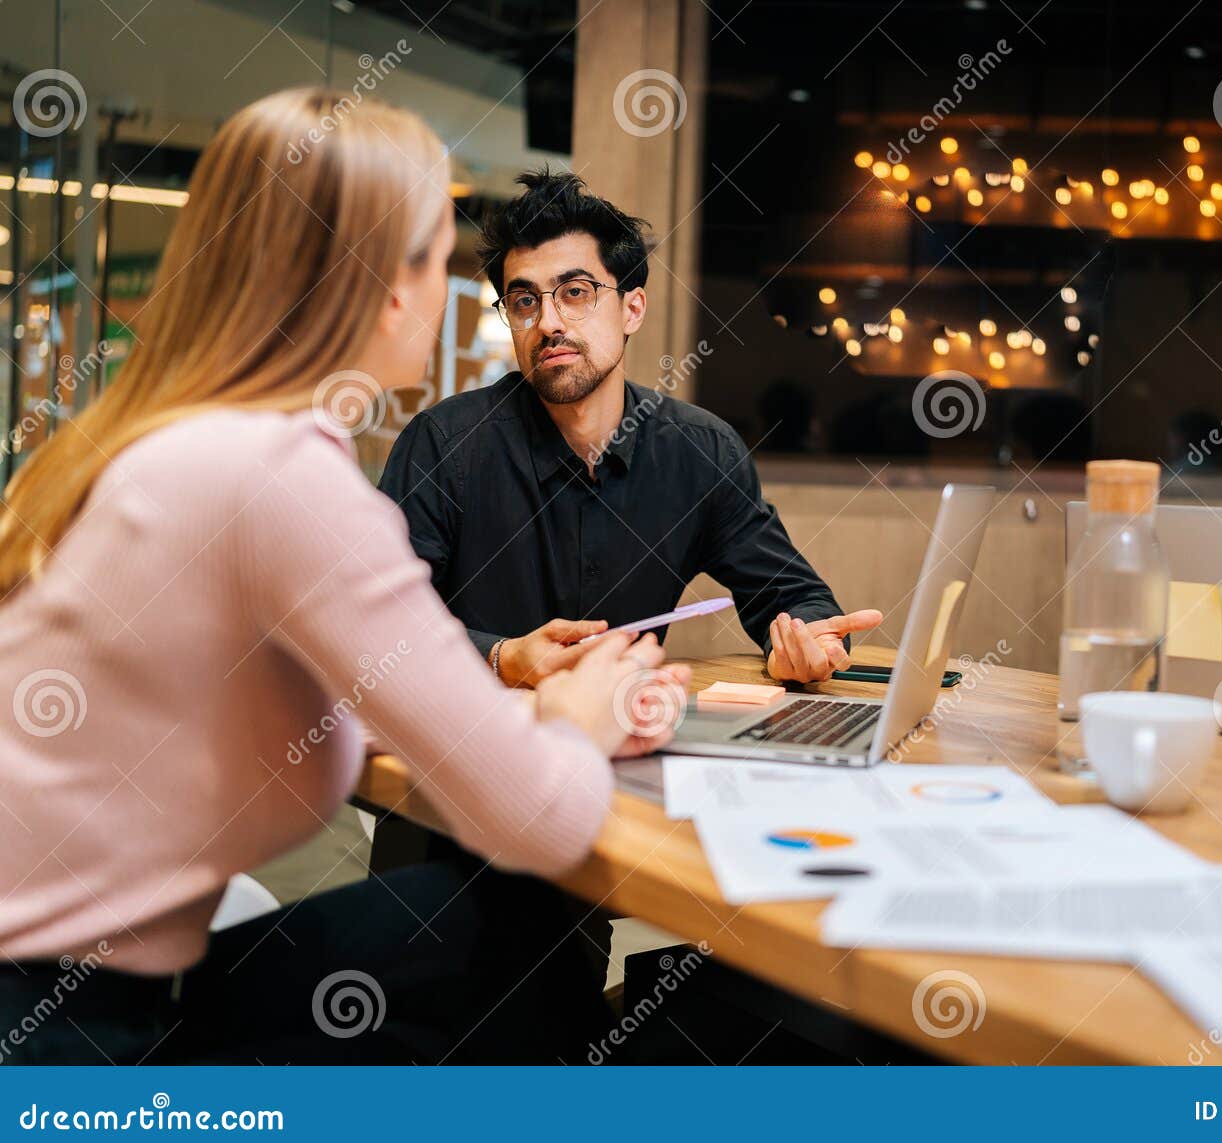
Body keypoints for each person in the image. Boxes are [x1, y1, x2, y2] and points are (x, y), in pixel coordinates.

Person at [0, 89, 689, 1063]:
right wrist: (586, 720)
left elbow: (293, 691)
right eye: (437, 256)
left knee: (476, 936)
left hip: (69, 984)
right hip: (63, 1036)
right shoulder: (280, 476)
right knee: (521, 923)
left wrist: (516, 702)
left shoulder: (160, 441)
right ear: (387, 287)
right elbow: (537, 819)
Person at [377, 168, 882, 689]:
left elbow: (794, 597)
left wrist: (807, 646)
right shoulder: (445, 443)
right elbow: (379, 621)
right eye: (524, 301)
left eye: (574, 292)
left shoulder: (698, 450)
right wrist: (502, 657)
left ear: (632, 309)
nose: (548, 322)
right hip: (471, 734)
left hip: (627, 737)